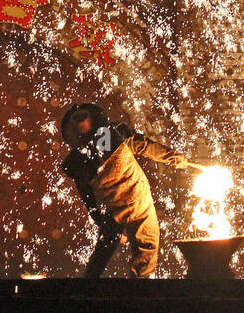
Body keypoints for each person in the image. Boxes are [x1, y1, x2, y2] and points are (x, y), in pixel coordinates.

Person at [58, 103, 201, 278]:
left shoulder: (110, 135)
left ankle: (129, 292)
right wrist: (102, 222)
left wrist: (172, 157)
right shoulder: (81, 160)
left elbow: (144, 145)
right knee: (131, 253)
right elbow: (90, 200)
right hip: (125, 208)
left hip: (131, 204)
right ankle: (93, 291)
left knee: (131, 254)